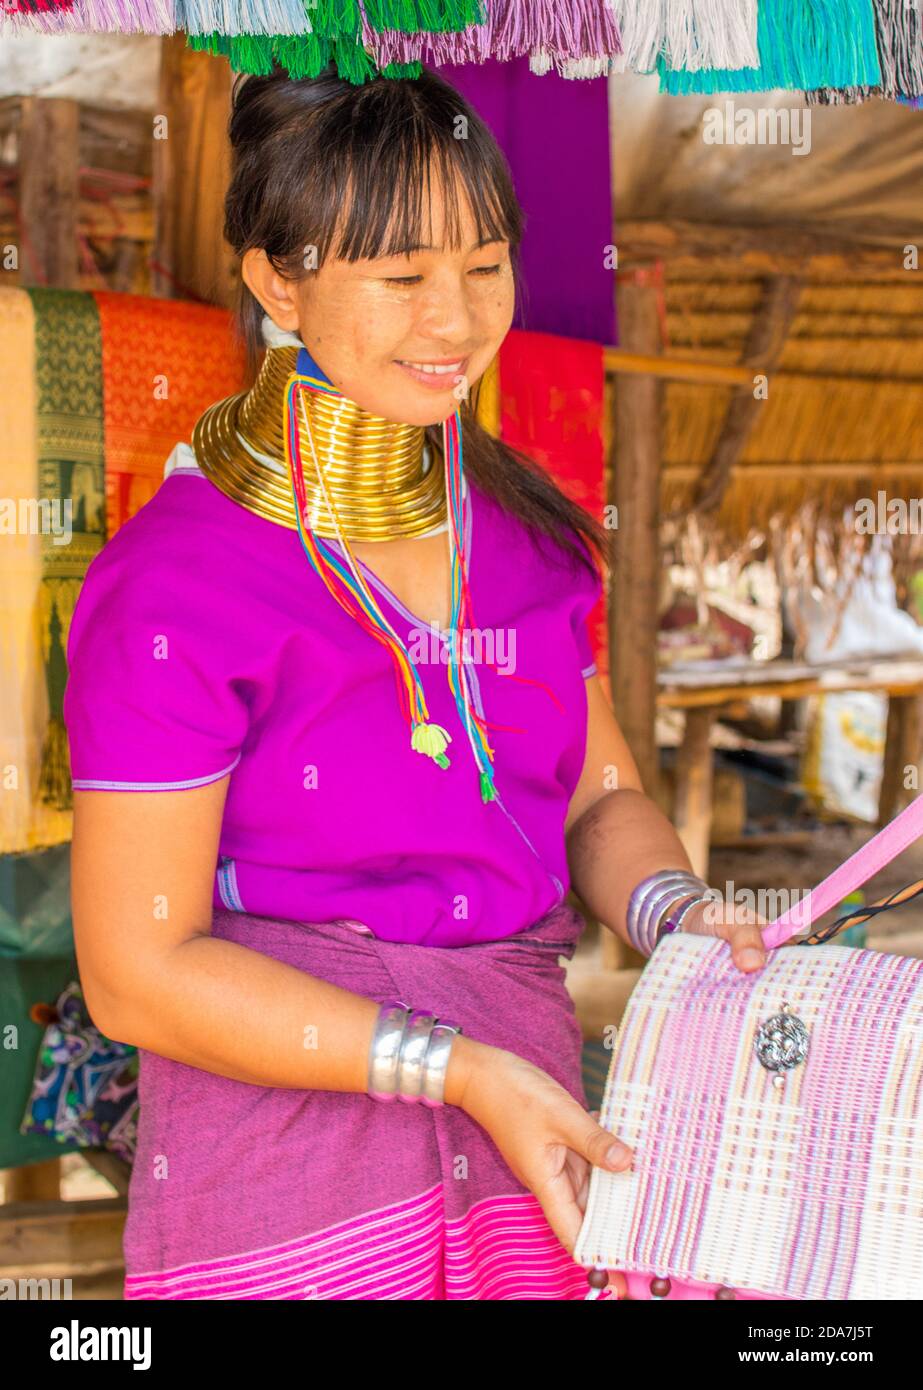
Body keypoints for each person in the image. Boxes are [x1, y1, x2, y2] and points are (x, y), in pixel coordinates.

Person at [64, 66, 766, 1301]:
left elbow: (595, 797)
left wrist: (675, 915)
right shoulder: (176, 582)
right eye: (400, 278)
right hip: (287, 1170)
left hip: (528, 1130)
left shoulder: (526, 536)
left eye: (484, 265)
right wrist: (451, 1068)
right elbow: (137, 970)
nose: (455, 320)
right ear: (278, 280)